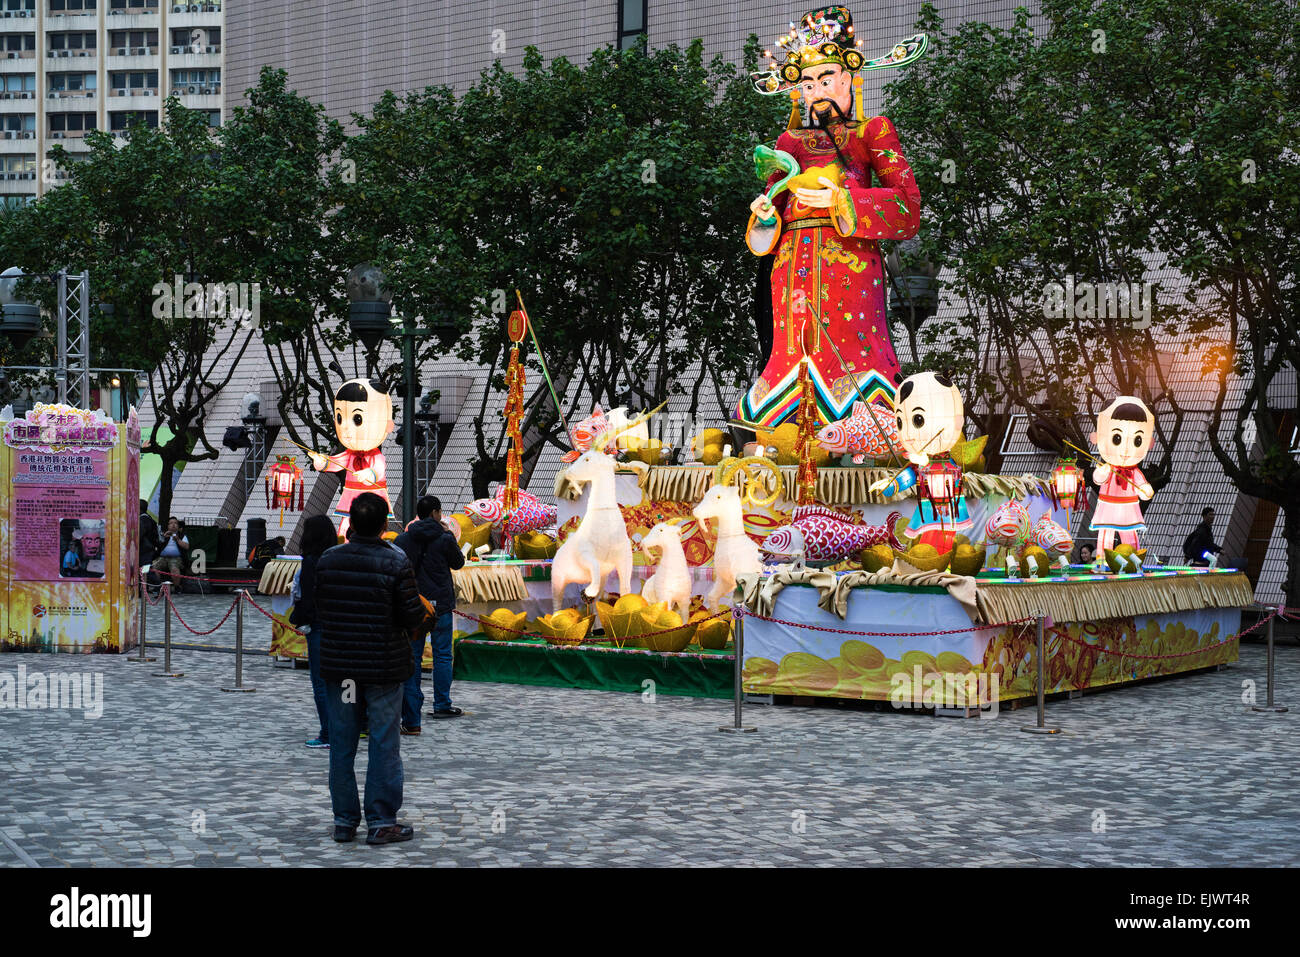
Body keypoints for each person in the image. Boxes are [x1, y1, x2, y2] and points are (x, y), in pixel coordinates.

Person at [738, 5, 921, 430]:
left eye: (825, 79)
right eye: (806, 82)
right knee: (789, 357)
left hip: (849, 265)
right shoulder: (788, 141)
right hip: (791, 269)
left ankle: (863, 419)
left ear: (848, 79)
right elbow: (771, 214)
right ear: (797, 91)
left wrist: (843, 199)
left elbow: (908, 207)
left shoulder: (870, 131)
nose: (816, 90)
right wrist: (765, 213)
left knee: (856, 362)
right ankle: (780, 415)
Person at [315, 492, 425, 846]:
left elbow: (321, 609)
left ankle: (344, 820)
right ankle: (381, 820)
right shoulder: (396, 562)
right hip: (383, 668)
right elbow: (412, 615)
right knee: (382, 742)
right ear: (382, 526)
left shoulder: (328, 560)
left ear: (350, 526)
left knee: (343, 743)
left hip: (343, 671)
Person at [395, 495, 466, 731]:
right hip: (442, 604)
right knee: (443, 655)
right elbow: (458, 563)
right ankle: (442, 704)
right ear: (436, 513)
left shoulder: (404, 538)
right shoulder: (444, 537)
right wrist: (449, 536)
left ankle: (412, 711)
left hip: (415, 604)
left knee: (413, 657)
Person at [290, 515, 340, 751]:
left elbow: (308, 596)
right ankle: (345, 727)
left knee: (320, 682)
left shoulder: (311, 561)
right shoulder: (337, 557)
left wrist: (304, 620)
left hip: (319, 624)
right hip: (338, 623)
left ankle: (328, 732)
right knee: (341, 681)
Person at [153, 516, 189, 592]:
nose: (173, 525)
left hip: (176, 558)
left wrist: (177, 539)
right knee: (154, 566)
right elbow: (157, 546)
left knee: (174, 569)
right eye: (171, 523)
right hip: (162, 558)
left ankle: (177, 587)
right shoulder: (164, 534)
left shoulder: (182, 535)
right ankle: (157, 586)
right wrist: (163, 538)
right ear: (168, 526)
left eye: (175, 523)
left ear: (178, 526)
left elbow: (186, 546)